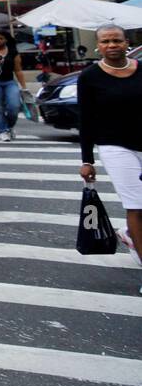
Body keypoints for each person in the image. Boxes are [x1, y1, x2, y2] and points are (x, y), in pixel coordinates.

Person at [77, 23, 142, 278]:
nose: (112, 45)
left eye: (117, 40)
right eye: (105, 41)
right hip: (115, 146)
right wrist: (87, 161)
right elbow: (86, 119)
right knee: (136, 205)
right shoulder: (89, 77)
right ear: (98, 45)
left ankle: (129, 236)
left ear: (127, 43)